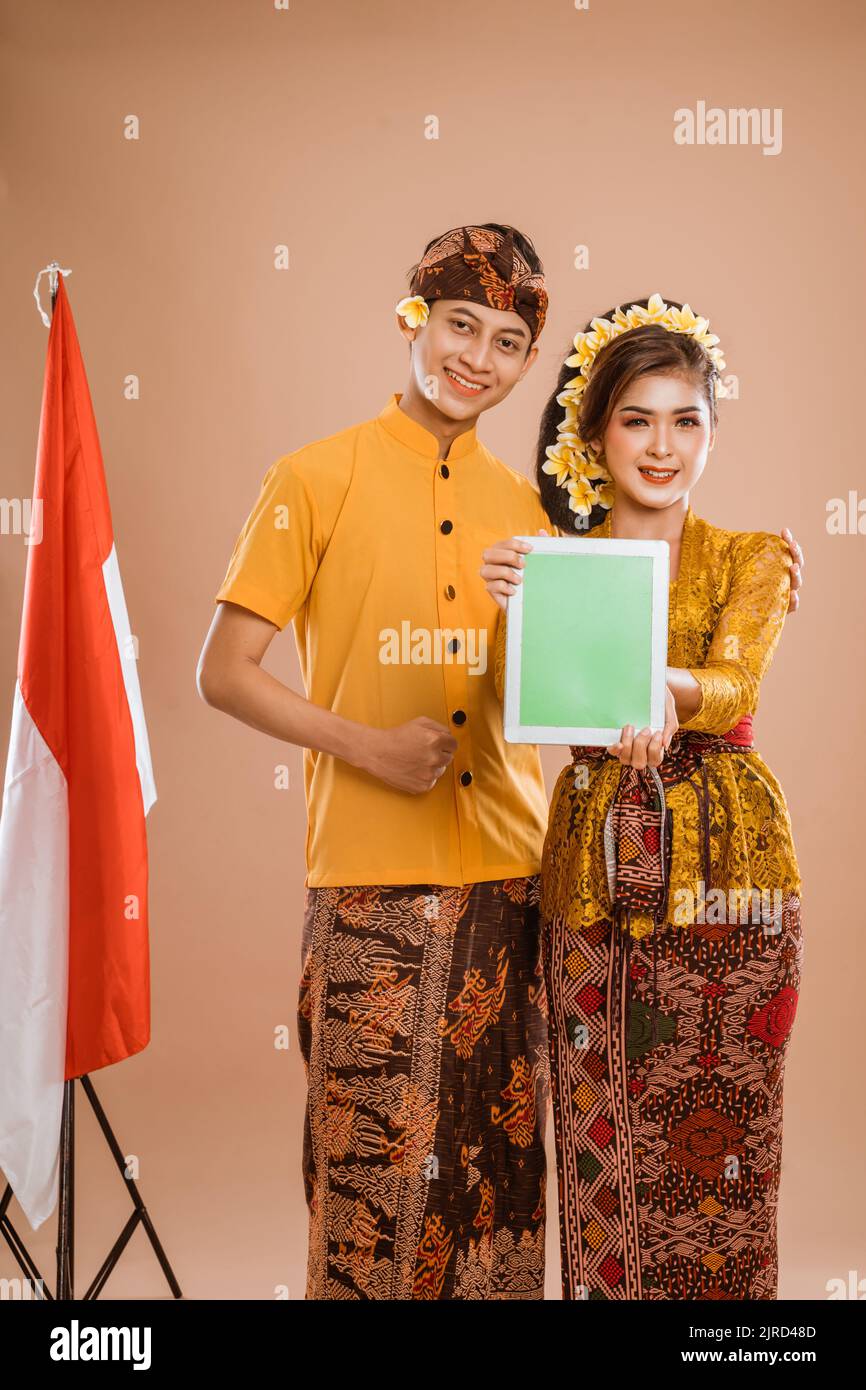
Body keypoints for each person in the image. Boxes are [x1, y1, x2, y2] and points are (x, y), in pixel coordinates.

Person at [197, 224, 557, 1300]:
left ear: (525, 363)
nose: (474, 359)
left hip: (509, 884)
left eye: (503, 341)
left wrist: (552, 614)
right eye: (458, 325)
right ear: (415, 317)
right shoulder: (312, 477)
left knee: (495, 1190)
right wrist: (367, 746)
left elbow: (545, 703)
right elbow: (223, 670)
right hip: (369, 890)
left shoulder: (526, 514)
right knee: (371, 1184)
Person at [481, 294, 804, 1300]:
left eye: (685, 420)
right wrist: (504, 610)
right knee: (597, 1120)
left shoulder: (753, 556)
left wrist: (667, 690)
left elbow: (736, 683)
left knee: (727, 1141)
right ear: (592, 431)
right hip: (591, 863)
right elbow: (505, 706)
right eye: (635, 419)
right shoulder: (549, 561)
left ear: (711, 431)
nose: (660, 446)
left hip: (730, 872)